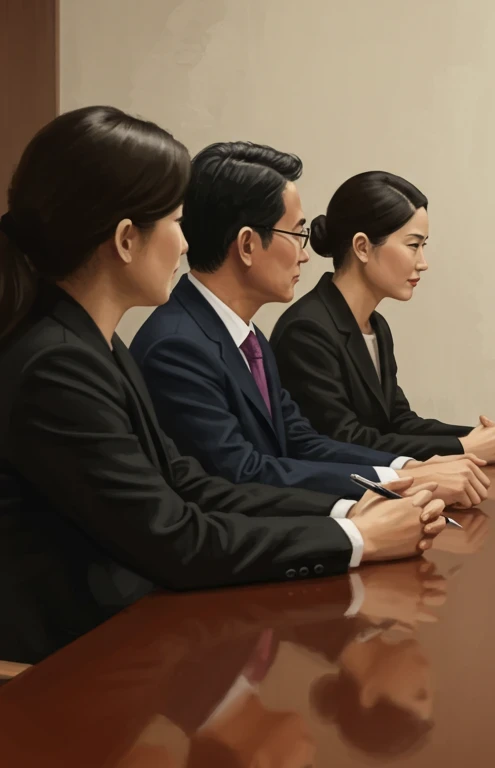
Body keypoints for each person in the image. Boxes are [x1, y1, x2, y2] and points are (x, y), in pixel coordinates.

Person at [0, 107, 446, 653]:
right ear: (125, 240)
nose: (186, 245)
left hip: (132, 628)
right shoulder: (59, 364)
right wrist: (356, 536)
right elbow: (174, 537)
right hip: (75, 664)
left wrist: (353, 510)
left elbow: (187, 482)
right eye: (175, 224)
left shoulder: (96, 343)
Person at [130, 142, 491, 507]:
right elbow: (243, 473)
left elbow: (301, 440)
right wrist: (403, 481)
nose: (306, 253)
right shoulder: (176, 348)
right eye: (297, 234)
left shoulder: (247, 335)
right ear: (247, 245)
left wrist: (409, 468)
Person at [271, 171, 495, 467]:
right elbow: (344, 440)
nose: (423, 262)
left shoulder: (376, 325)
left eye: (423, 246)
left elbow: (398, 421)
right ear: (363, 247)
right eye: (413, 245)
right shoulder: (307, 330)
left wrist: (482, 437)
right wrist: (464, 446)